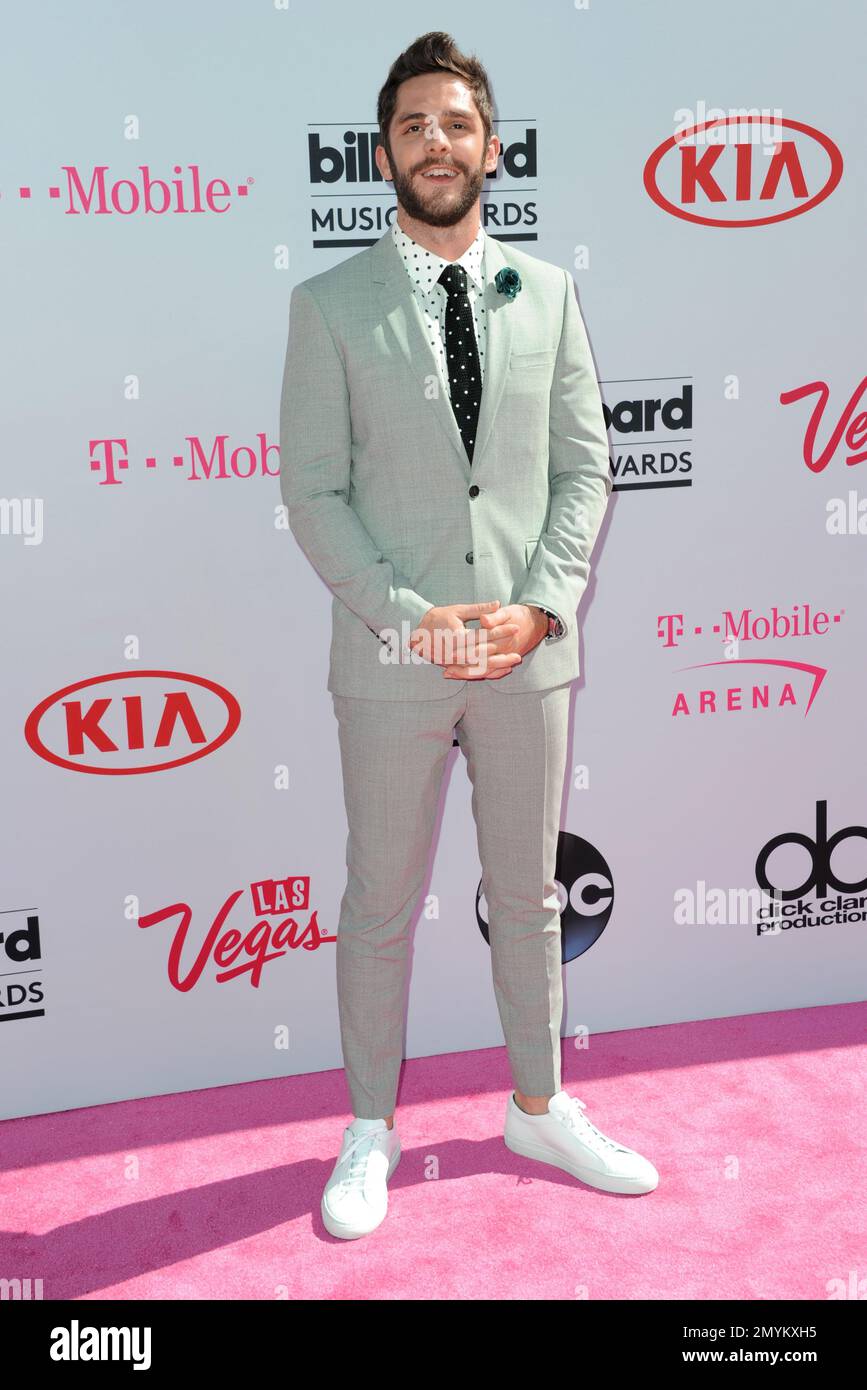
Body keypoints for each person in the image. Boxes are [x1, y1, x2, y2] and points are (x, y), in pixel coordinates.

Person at [279, 30, 658, 1240]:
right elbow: (313, 492)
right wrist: (412, 619)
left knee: (529, 897)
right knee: (380, 898)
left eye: (456, 124)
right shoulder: (327, 305)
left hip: (529, 652)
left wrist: (541, 604)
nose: (434, 144)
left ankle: (538, 1104)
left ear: (492, 146)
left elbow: (584, 469)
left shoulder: (548, 292)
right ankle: (369, 1128)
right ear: (382, 152)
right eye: (411, 127)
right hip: (395, 660)